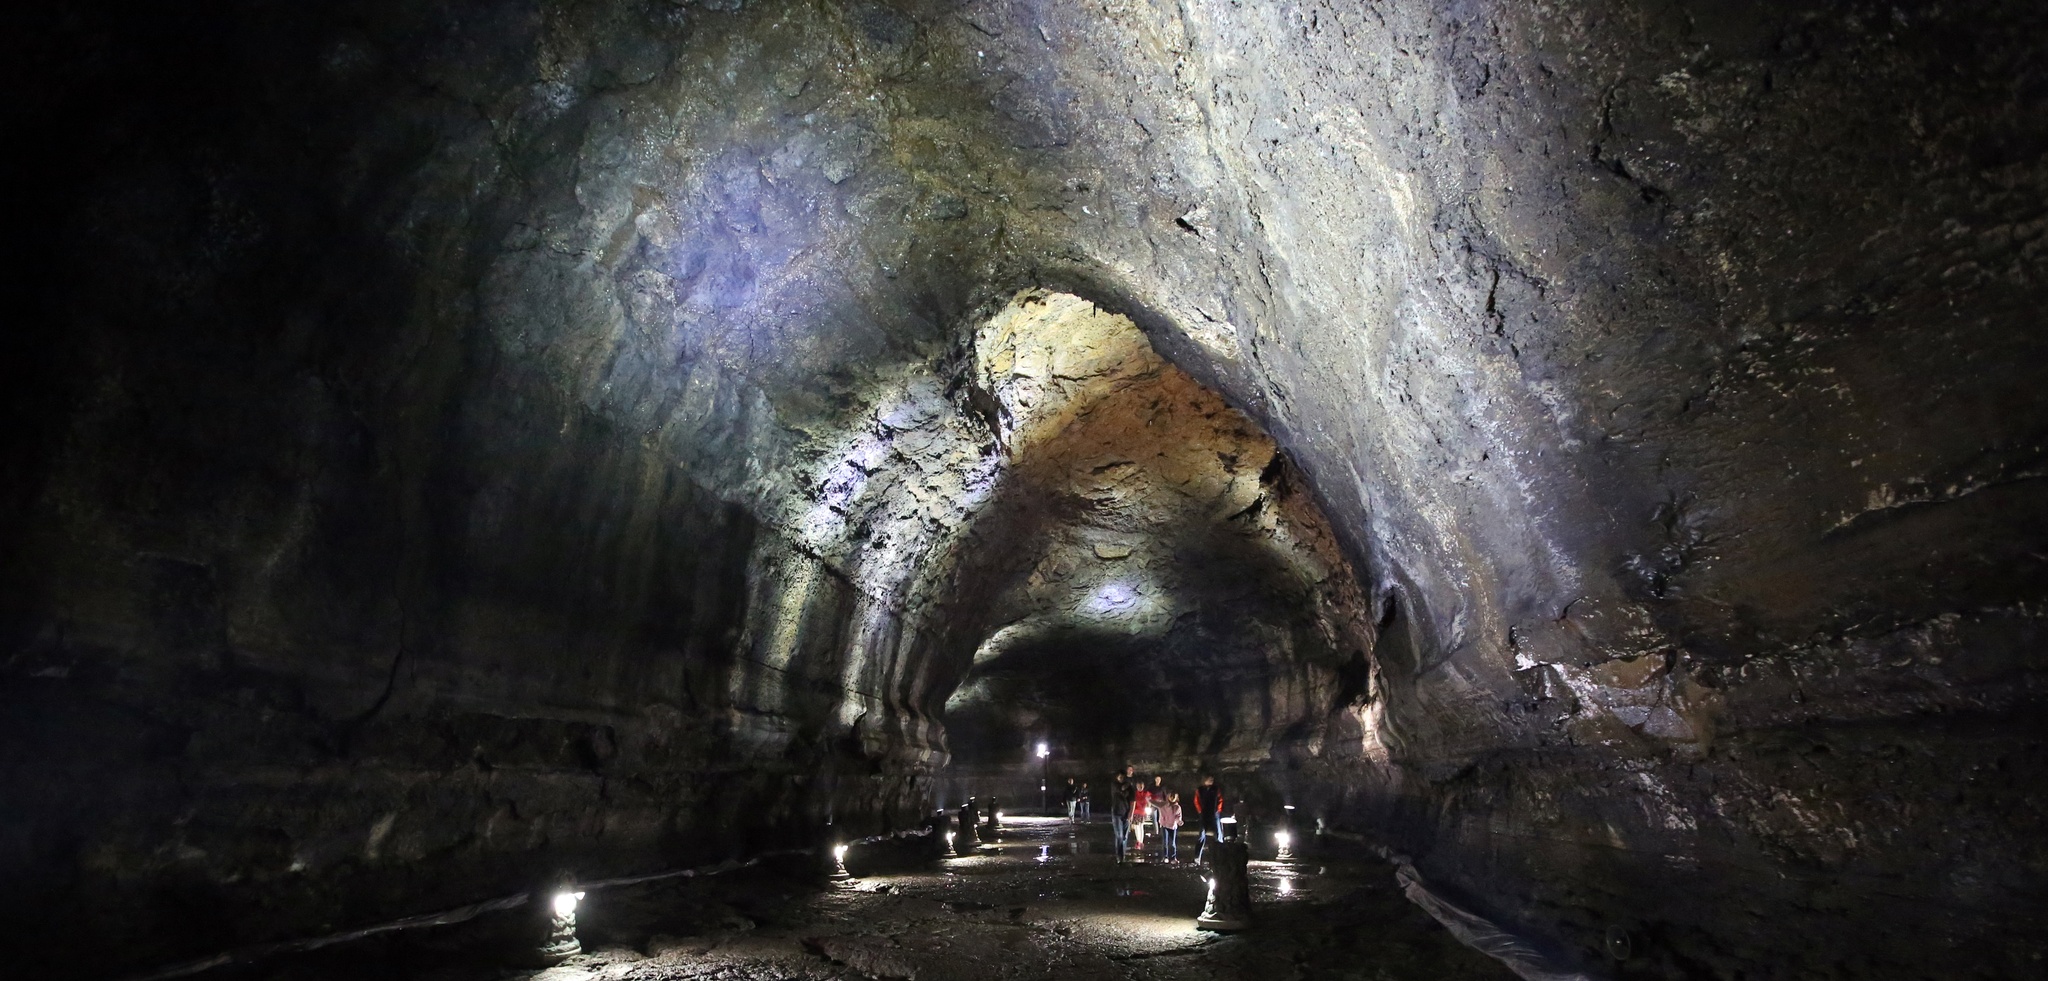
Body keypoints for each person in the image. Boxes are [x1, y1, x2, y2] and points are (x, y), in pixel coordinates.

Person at [1193, 774, 1225, 861]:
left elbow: (1220, 800)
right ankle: (1197, 857)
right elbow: (1196, 801)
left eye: (1212, 779)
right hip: (1204, 814)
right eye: (1209, 779)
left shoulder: (1215, 789)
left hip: (1214, 813)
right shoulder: (1199, 790)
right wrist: (1200, 811)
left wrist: (1218, 810)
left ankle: (1221, 854)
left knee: (1218, 834)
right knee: (1201, 835)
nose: (1211, 781)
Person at [1107, 767, 1135, 862]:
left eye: (1122, 777)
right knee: (1119, 835)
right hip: (1116, 813)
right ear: (1117, 777)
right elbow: (1121, 788)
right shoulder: (1114, 785)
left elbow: (1132, 801)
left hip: (1126, 812)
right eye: (1120, 777)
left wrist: (1131, 814)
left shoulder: (1130, 787)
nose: (1121, 779)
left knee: (1124, 836)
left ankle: (1122, 855)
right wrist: (1129, 782)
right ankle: (1119, 856)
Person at [1130, 777, 1153, 856]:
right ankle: (1138, 841)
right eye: (1139, 786)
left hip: (1142, 812)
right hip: (1135, 812)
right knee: (1136, 827)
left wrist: (1149, 806)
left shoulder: (1146, 793)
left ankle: (1141, 841)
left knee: (1140, 826)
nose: (1140, 787)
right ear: (1136, 786)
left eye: (1141, 786)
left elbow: (1150, 800)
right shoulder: (1134, 794)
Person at [1158, 792, 1184, 862]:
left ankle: (1173, 857)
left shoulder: (1177, 807)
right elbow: (1160, 811)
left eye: (1174, 797)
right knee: (1165, 842)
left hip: (1172, 826)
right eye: (1171, 796)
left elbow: (1178, 816)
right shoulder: (1163, 805)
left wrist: (1179, 821)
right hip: (1164, 825)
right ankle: (1165, 857)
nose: (1172, 798)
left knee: (1172, 843)